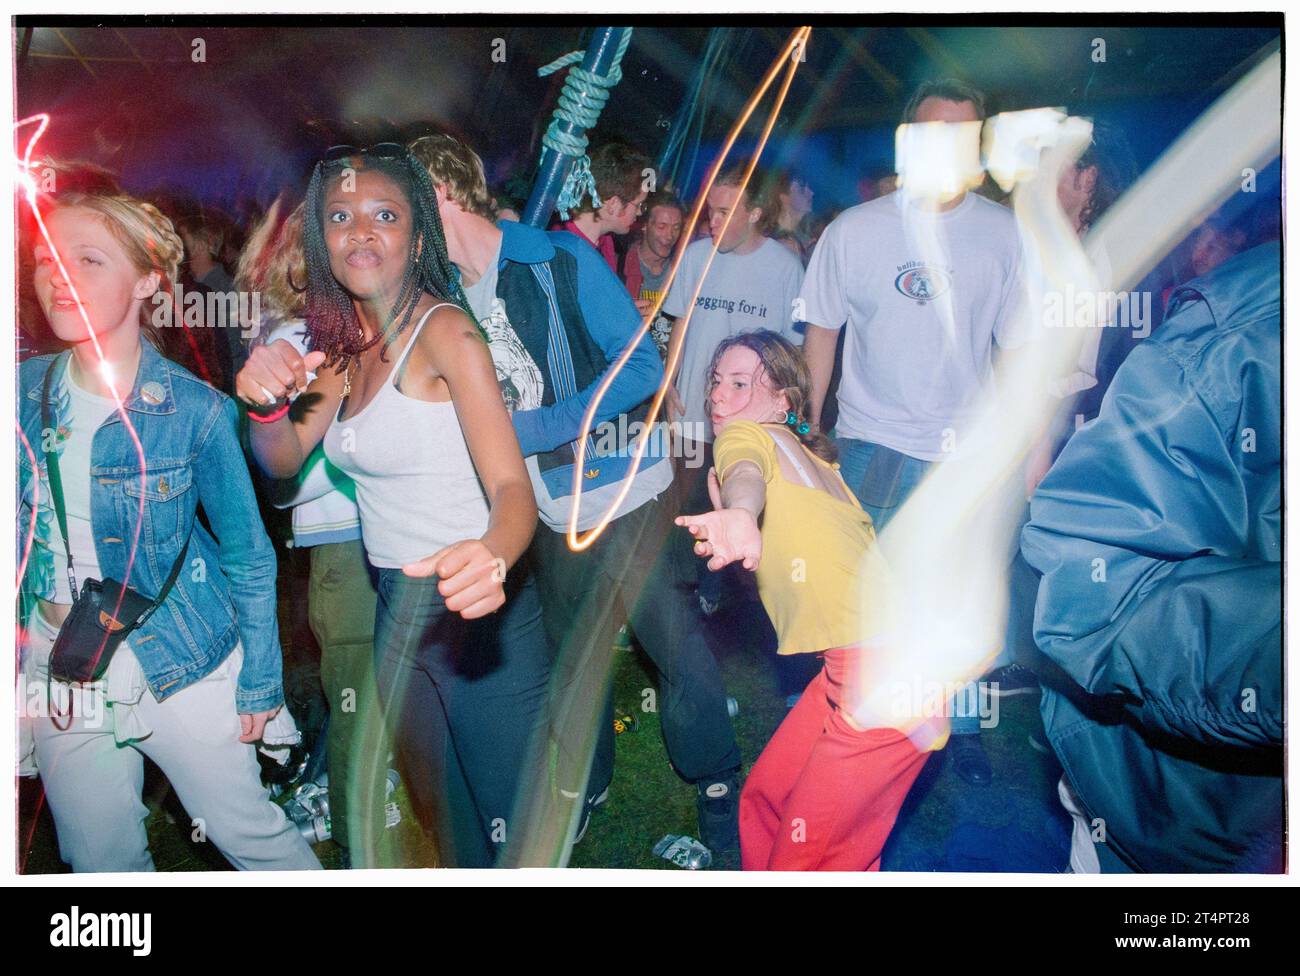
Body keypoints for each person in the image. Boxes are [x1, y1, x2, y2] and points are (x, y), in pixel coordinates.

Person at [408, 132, 743, 854]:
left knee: (675, 647)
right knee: (572, 662)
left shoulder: (555, 257)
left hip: (625, 492)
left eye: (401, 200)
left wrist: (529, 431)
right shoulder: (439, 299)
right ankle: (589, 782)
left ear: (438, 190)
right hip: (540, 512)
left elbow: (640, 371)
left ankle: (716, 778)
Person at [236, 144, 548, 868]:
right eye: (340, 217)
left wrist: (493, 557)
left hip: (476, 611)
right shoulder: (341, 347)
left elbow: (512, 494)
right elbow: (281, 466)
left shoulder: (447, 332)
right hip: (395, 609)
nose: (361, 232)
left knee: (511, 825)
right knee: (442, 815)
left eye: (385, 214)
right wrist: (262, 406)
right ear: (321, 237)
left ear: (417, 235)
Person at [16, 189, 320, 873]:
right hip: (61, 665)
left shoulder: (195, 411)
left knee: (251, 838)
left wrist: (261, 684)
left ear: (149, 279)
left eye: (89, 260)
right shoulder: (17, 392)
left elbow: (247, 554)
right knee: (97, 861)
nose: (59, 277)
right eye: (45, 260)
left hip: (179, 659)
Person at [1020, 241, 1282, 872]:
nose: (1206, 249)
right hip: (1185, 824)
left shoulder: (1118, 257)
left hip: (1095, 417)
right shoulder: (1237, 336)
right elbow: (1098, 584)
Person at [798, 79, 1027, 786]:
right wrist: (809, 428)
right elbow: (821, 335)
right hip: (868, 448)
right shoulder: (855, 230)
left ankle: (944, 738)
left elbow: (1017, 351)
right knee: (865, 608)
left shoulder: (1005, 234)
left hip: (964, 460)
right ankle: (853, 731)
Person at [677, 331, 944, 869]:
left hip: (882, 678)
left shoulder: (744, 439)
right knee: (769, 801)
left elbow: (743, 472)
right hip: (874, 664)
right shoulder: (825, 468)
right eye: (714, 382)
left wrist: (739, 511)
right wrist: (742, 520)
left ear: (783, 401)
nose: (717, 398)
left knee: (805, 854)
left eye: (740, 383)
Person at [236, 197, 390, 868]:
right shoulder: (296, 343)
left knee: (366, 684)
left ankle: (346, 792)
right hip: (340, 535)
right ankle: (357, 833)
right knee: (357, 687)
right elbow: (288, 474)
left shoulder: (309, 329)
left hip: (359, 535)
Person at [663, 163, 805, 616]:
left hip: (750, 421)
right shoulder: (693, 257)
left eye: (725, 212)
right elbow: (679, 326)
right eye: (710, 212)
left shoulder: (784, 267)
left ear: (756, 213)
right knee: (684, 503)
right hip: (692, 412)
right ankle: (687, 592)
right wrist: (668, 388)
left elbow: (792, 348)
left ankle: (735, 594)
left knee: (740, 501)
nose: (713, 222)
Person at [559, 140, 651, 274]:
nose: (639, 213)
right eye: (638, 205)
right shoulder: (564, 251)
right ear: (613, 204)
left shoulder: (605, 243)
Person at [621, 189, 685, 351]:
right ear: (644, 226)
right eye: (662, 226)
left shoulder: (683, 272)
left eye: (676, 227)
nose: (670, 235)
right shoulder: (618, 265)